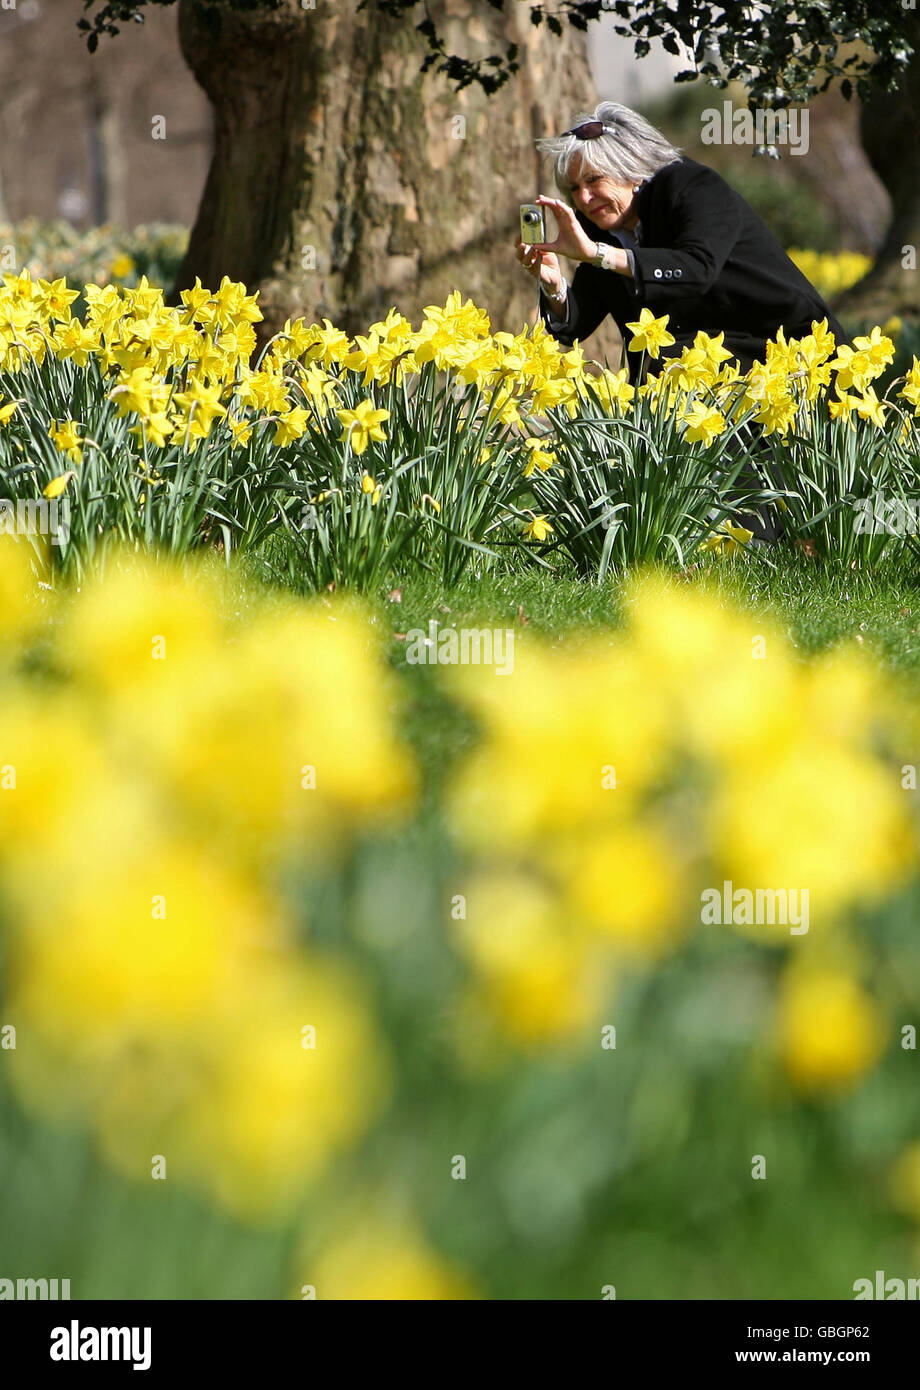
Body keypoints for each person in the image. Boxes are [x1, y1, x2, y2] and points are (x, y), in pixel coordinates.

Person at [515, 100, 848, 378]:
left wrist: (600, 255)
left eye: (594, 180)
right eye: (574, 188)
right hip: (698, 367)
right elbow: (574, 327)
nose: (584, 199)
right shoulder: (599, 228)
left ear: (631, 170)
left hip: (788, 347)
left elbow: (697, 268)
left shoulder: (692, 187)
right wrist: (554, 285)